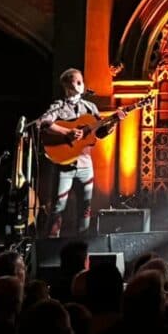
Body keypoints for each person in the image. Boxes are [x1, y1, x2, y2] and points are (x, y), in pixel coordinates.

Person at [37, 68, 126, 237]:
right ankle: (51, 246)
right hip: (64, 165)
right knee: (58, 206)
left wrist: (113, 123)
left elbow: (100, 132)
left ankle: (81, 245)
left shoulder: (90, 107)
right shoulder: (59, 106)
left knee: (85, 207)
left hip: (86, 164)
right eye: (75, 81)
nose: (79, 84)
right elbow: (44, 122)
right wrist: (66, 132)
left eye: (81, 81)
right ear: (66, 84)